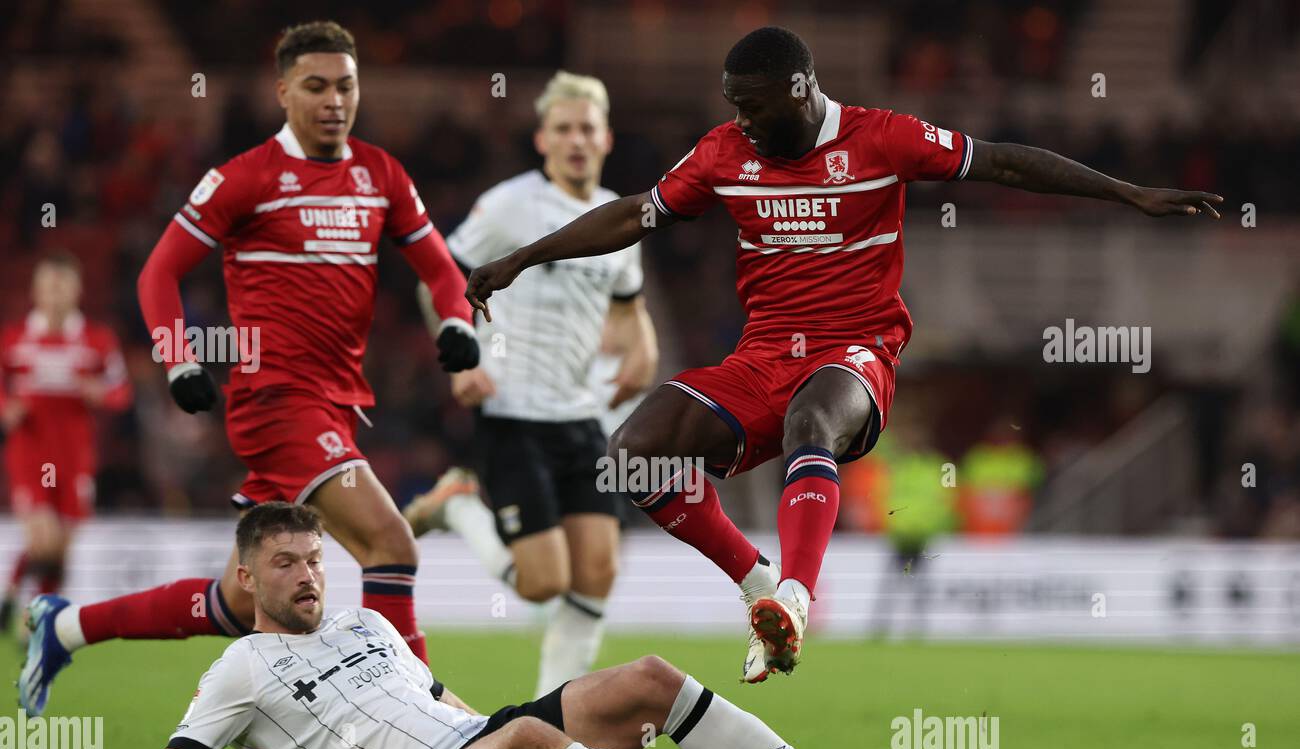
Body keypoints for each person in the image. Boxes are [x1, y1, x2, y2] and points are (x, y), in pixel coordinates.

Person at [464, 25, 1222, 682]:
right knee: (634, 451)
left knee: (811, 419)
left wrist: (1130, 194)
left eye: (754, 104)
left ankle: (796, 597)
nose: (742, 120)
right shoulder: (725, 152)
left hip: (857, 352)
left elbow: (1003, 162)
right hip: (761, 358)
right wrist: (521, 259)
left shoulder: (883, 137)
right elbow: (635, 214)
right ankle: (757, 580)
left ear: (800, 89)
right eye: (734, 105)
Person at [19, 21, 479, 716]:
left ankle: (65, 625)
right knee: (393, 544)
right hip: (276, 402)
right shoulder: (246, 177)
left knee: (236, 602)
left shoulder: (381, 174)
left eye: (346, 86)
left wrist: (455, 324)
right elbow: (159, 274)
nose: (334, 101)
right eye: (316, 86)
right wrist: (179, 362)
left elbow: (442, 270)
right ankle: (423, 725)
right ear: (283, 92)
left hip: (338, 404)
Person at [51, 501, 932, 749]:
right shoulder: (240, 666)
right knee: (531, 738)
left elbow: (445, 702)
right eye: (286, 564)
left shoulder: (366, 624)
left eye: (316, 559)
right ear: (247, 578)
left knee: (648, 678)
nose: (309, 576)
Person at [405, 71, 658, 698]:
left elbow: (628, 304)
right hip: (512, 409)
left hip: (583, 416)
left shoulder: (622, 218)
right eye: (564, 129)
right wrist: (461, 358)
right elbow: (437, 277)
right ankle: (458, 506)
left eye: (587, 129)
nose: (576, 140)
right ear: (543, 139)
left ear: (606, 138)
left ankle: (556, 721)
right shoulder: (508, 207)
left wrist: (644, 345)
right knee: (543, 581)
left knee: (597, 571)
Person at [0, 252, 133, 631]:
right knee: (43, 538)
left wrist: (100, 394)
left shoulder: (97, 340)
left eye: (62, 286)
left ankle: (14, 595)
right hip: (31, 451)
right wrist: (7, 407)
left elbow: (121, 390)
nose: (55, 294)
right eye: (48, 286)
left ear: (76, 290)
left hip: (75, 454)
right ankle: (35, 624)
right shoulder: (14, 339)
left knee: (60, 549)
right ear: (35, 290)